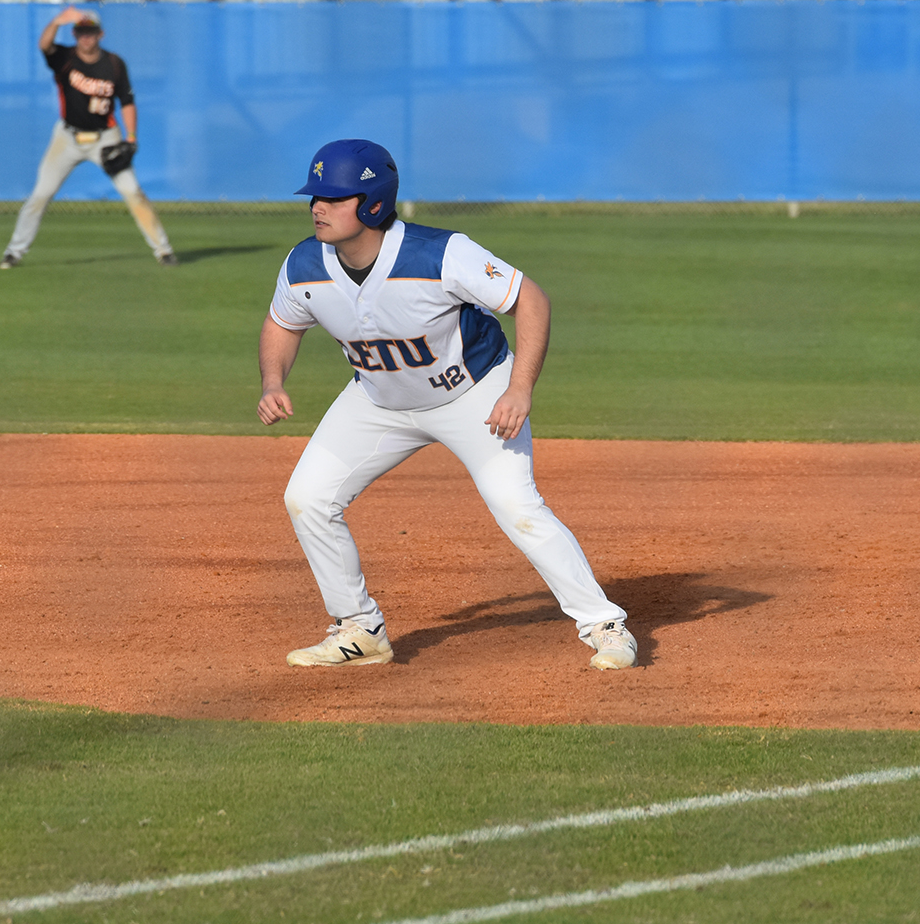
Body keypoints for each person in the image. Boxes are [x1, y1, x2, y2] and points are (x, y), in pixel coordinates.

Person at [256, 139, 637, 671]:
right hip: (379, 401)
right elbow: (282, 322)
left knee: (515, 504)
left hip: (475, 397)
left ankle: (604, 625)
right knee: (307, 498)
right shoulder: (304, 264)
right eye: (313, 196)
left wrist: (519, 388)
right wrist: (273, 380)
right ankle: (358, 629)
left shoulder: (440, 254)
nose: (316, 206)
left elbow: (530, 298)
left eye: (333, 197)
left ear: (370, 203)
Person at [0, 7, 175, 269]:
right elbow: (44, 45)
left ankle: (164, 251)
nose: (86, 38)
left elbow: (127, 102)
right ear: (75, 34)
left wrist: (131, 137)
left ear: (100, 34)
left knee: (133, 192)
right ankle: (14, 251)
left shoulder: (114, 64)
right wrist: (57, 20)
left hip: (106, 138)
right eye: (81, 32)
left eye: (90, 32)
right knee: (40, 194)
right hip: (67, 138)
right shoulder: (64, 58)